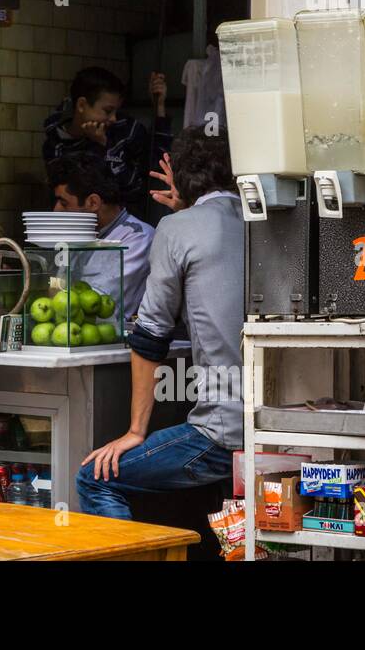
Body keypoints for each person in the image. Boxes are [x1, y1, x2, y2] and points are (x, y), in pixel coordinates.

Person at [77, 126, 244, 519]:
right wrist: (188, 207)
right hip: (276, 428)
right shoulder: (266, 219)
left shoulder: (177, 227)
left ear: (180, 175)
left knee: (96, 477)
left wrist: (136, 432)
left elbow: (151, 335)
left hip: (223, 434)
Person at [43, 66, 171, 220]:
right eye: (107, 111)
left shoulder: (125, 130)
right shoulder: (55, 144)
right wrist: (95, 146)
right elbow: (69, 194)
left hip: (126, 226)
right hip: (75, 227)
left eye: (116, 111)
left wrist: (159, 107)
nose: (113, 119)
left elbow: (149, 173)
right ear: (82, 105)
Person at [49, 155, 155, 318]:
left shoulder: (138, 238)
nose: (57, 211)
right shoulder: (79, 236)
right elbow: (55, 292)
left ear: (93, 203)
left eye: (64, 203)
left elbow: (99, 306)